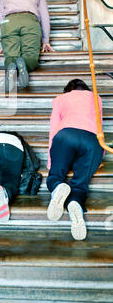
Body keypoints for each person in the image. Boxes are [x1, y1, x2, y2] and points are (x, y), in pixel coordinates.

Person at [46, 79, 104, 241]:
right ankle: (75, 203)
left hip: (66, 134)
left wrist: (52, 161)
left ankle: (58, 187)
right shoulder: (96, 98)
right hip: (92, 141)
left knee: (56, 175)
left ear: (68, 90)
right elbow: (100, 125)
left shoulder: (60, 99)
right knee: (80, 184)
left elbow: (53, 128)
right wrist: (100, 154)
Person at [0, 0, 54, 90]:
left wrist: (3, 40)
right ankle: (24, 63)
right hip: (30, 20)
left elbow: (1, 14)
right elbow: (44, 14)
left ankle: (11, 67)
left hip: (9, 21)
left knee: (11, 55)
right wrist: (46, 39)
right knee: (30, 55)